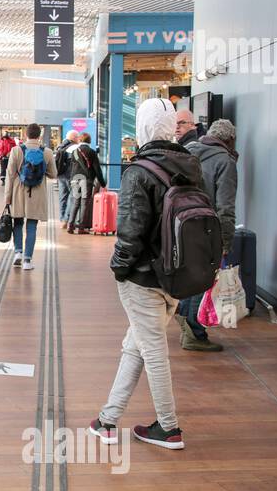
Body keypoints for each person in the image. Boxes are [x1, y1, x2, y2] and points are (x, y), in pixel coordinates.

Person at [88, 98, 196, 451]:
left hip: (143, 279)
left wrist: (118, 268)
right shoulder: (191, 165)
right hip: (177, 277)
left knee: (152, 352)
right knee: (135, 346)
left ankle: (169, 427)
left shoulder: (140, 171)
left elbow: (130, 233)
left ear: (144, 128)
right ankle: (107, 419)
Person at [177, 118, 239, 353]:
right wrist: (225, 241)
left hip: (181, 225)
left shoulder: (188, 151)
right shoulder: (225, 161)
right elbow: (226, 206)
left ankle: (185, 321)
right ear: (230, 139)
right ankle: (194, 333)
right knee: (203, 280)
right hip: (207, 229)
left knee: (189, 278)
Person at [2, 123, 57, 271]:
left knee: (18, 223)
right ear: (39, 135)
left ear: (26, 134)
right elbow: (54, 174)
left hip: (18, 191)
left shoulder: (16, 150)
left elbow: (10, 175)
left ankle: (18, 252)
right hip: (37, 193)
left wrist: (8, 197)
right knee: (32, 226)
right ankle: (27, 260)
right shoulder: (47, 152)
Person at [67, 132, 106, 234]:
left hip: (75, 179)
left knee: (75, 202)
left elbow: (71, 167)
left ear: (80, 140)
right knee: (84, 203)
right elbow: (97, 169)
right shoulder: (92, 152)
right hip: (86, 180)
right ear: (89, 141)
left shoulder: (74, 151)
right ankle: (81, 227)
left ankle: (70, 226)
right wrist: (103, 183)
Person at [54, 130, 80, 228]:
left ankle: (62, 218)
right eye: (77, 137)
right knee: (72, 197)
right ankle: (66, 219)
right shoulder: (74, 147)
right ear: (73, 138)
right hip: (70, 175)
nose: (78, 139)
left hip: (61, 175)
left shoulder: (60, 146)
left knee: (62, 197)